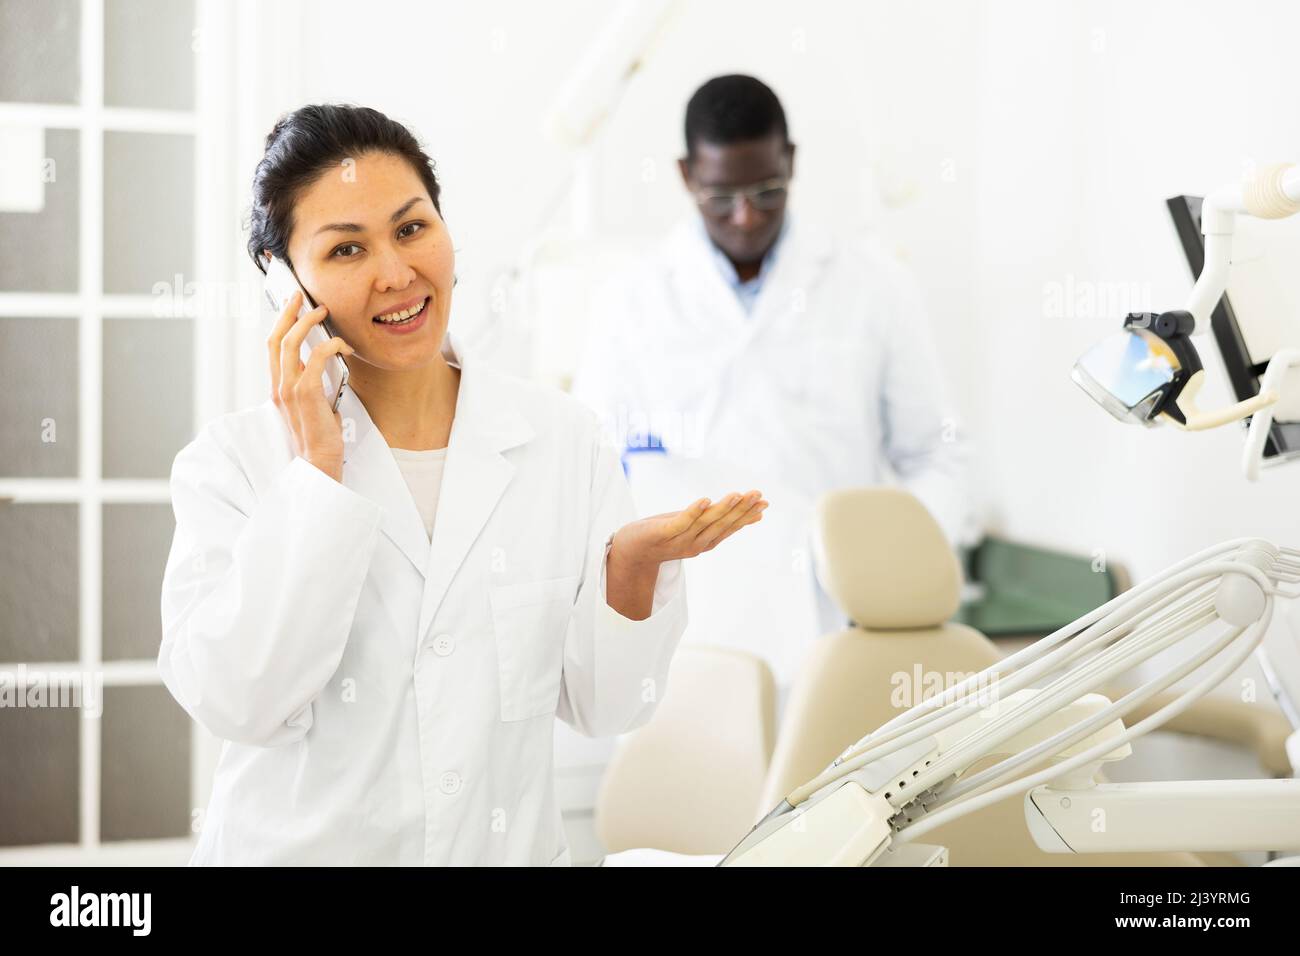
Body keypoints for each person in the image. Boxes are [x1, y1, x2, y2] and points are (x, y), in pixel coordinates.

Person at [158, 104, 766, 865]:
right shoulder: (234, 466)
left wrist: (630, 568)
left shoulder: (562, 442)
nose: (395, 272)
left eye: (412, 229)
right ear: (286, 286)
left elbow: (613, 706)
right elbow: (240, 700)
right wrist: (317, 471)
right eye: (347, 249)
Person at [573, 75, 971, 665]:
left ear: (792, 161)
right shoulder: (631, 301)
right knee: (694, 754)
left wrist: (894, 569)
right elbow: (594, 474)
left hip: (837, 616)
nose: (745, 217)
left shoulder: (873, 286)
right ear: (686, 175)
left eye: (766, 191)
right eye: (720, 196)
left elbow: (938, 455)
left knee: (836, 749)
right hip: (693, 625)